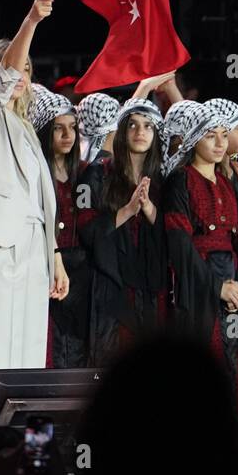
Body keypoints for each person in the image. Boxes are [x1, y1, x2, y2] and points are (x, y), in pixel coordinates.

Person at [0, 0, 67, 398]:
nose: (21, 72)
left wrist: (54, 256)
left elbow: (42, 204)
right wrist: (31, 22)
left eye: (26, 68)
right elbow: (1, 84)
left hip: (33, 250)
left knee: (28, 360)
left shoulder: (25, 127)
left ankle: (19, 450)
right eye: (14, 64)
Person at [163, 103, 238, 423]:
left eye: (224, 134)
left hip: (234, 282)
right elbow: (180, 245)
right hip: (199, 287)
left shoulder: (229, 183)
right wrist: (216, 287)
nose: (221, 142)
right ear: (195, 139)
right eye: (211, 136)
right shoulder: (180, 181)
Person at [79, 98, 171, 364]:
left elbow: (177, 236)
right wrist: (128, 210)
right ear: (121, 131)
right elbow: (86, 230)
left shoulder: (165, 180)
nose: (140, 132)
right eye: (132, 125)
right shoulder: (97, 174)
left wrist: (150, 209)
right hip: (111, 286)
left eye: (147, 126)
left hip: (152, 288)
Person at [31, 85, 89, 368]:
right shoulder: (34, 173)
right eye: (58, 129)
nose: (68, 135)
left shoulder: (85, 171)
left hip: (81, 270)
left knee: (77, 348)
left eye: (72, 127)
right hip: (46, 267)